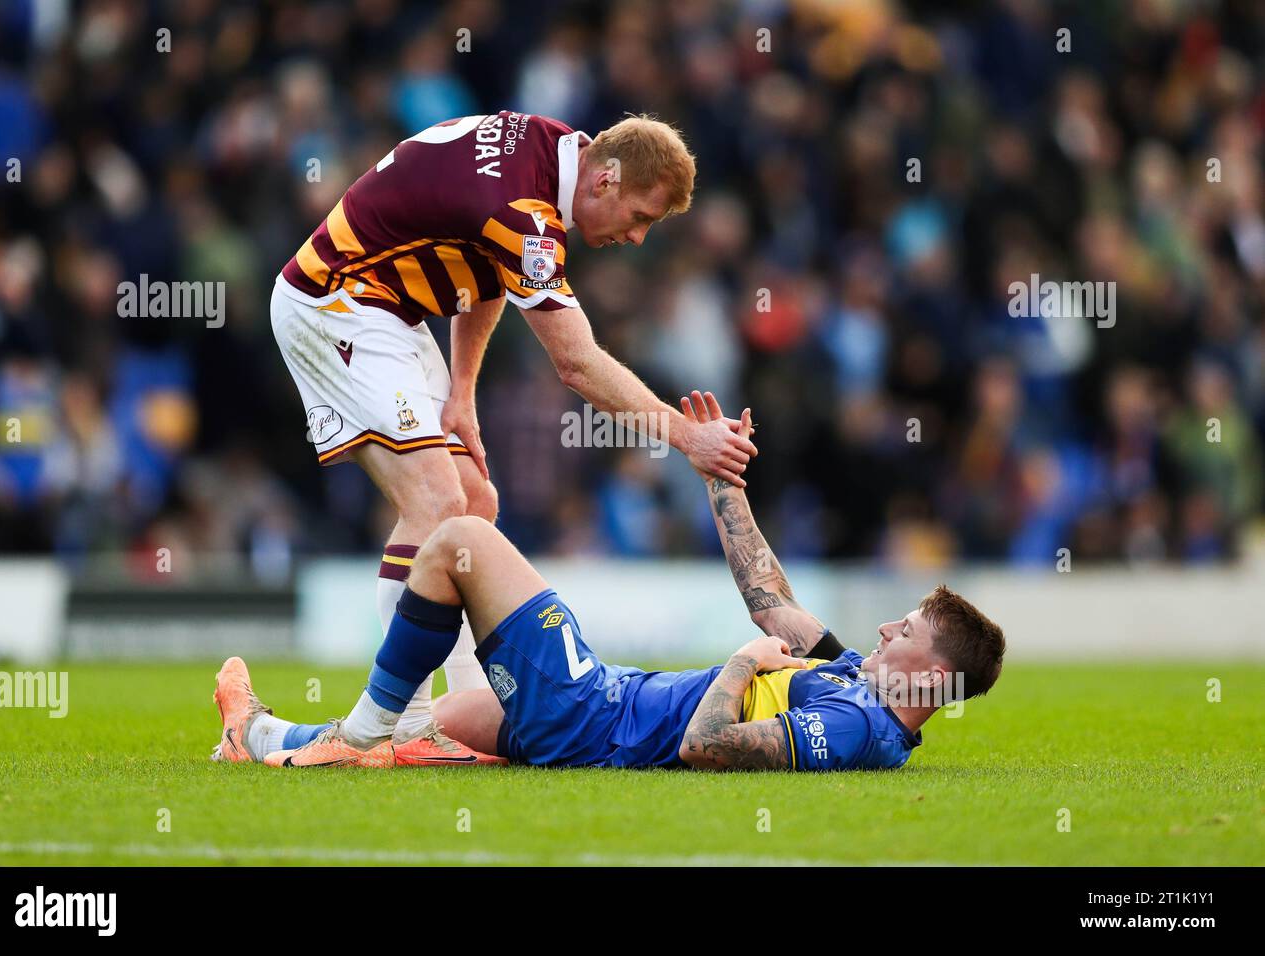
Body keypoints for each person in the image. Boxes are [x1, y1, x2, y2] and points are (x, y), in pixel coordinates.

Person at [260, 112, 757, 756]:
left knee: (474, 505)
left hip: (390, 311)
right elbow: (576, 364)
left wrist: (462, 389)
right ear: (604, 180)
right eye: (641, 217)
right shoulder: (526, 213)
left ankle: (468, 711)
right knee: (436, 507)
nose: (637, 238)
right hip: (335, 302)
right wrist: (685, 437)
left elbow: (484, 264)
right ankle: (400, 727)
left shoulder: (549, 149)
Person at [213, 393, 1005, 771]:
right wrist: (722, 479)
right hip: (607, 701)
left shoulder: (863, 728)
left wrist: (740, 664)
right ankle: (254, 738)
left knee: (461, 538)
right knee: (429, 728)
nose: (883, 631)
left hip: (594, 716)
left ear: (932, 679)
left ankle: (358, 740)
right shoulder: (849, 681)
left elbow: (707, 747)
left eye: (903, 631)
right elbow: (774, 604)